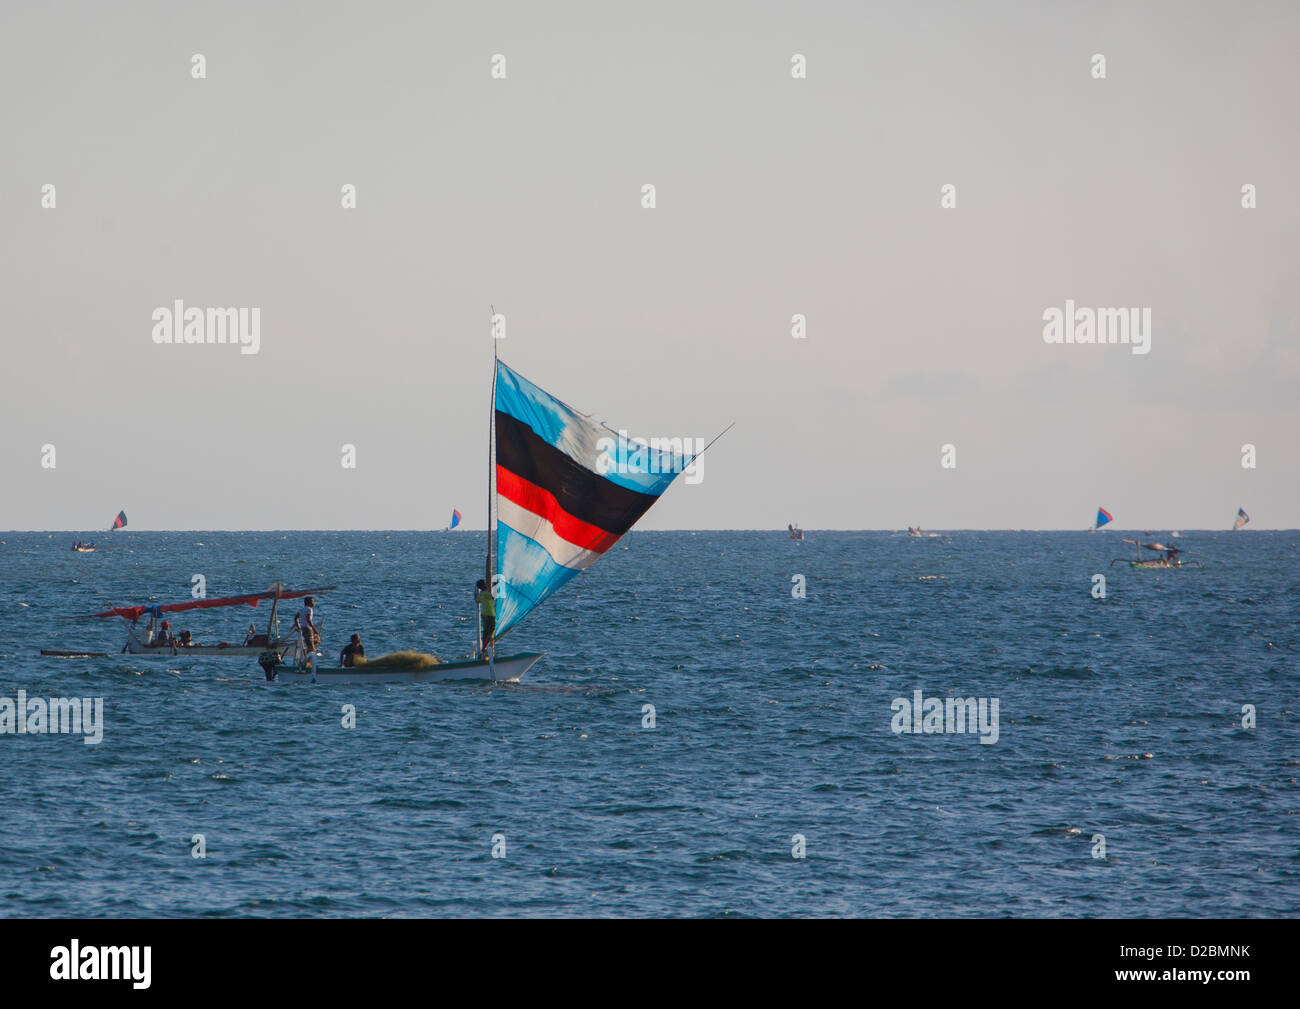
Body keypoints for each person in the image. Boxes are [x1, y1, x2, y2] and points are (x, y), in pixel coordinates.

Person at [475, 579, 495, 658]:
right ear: (483, 586)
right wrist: (495, 586)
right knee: (491, 630)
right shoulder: (487, 594)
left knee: (486, 631)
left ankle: (484, 646)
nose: (487, 584)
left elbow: (477, 601)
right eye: (485, 583)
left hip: (484, 614)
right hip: (490, 614)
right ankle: (484, 648)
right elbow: (493, 597)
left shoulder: (481, 594)